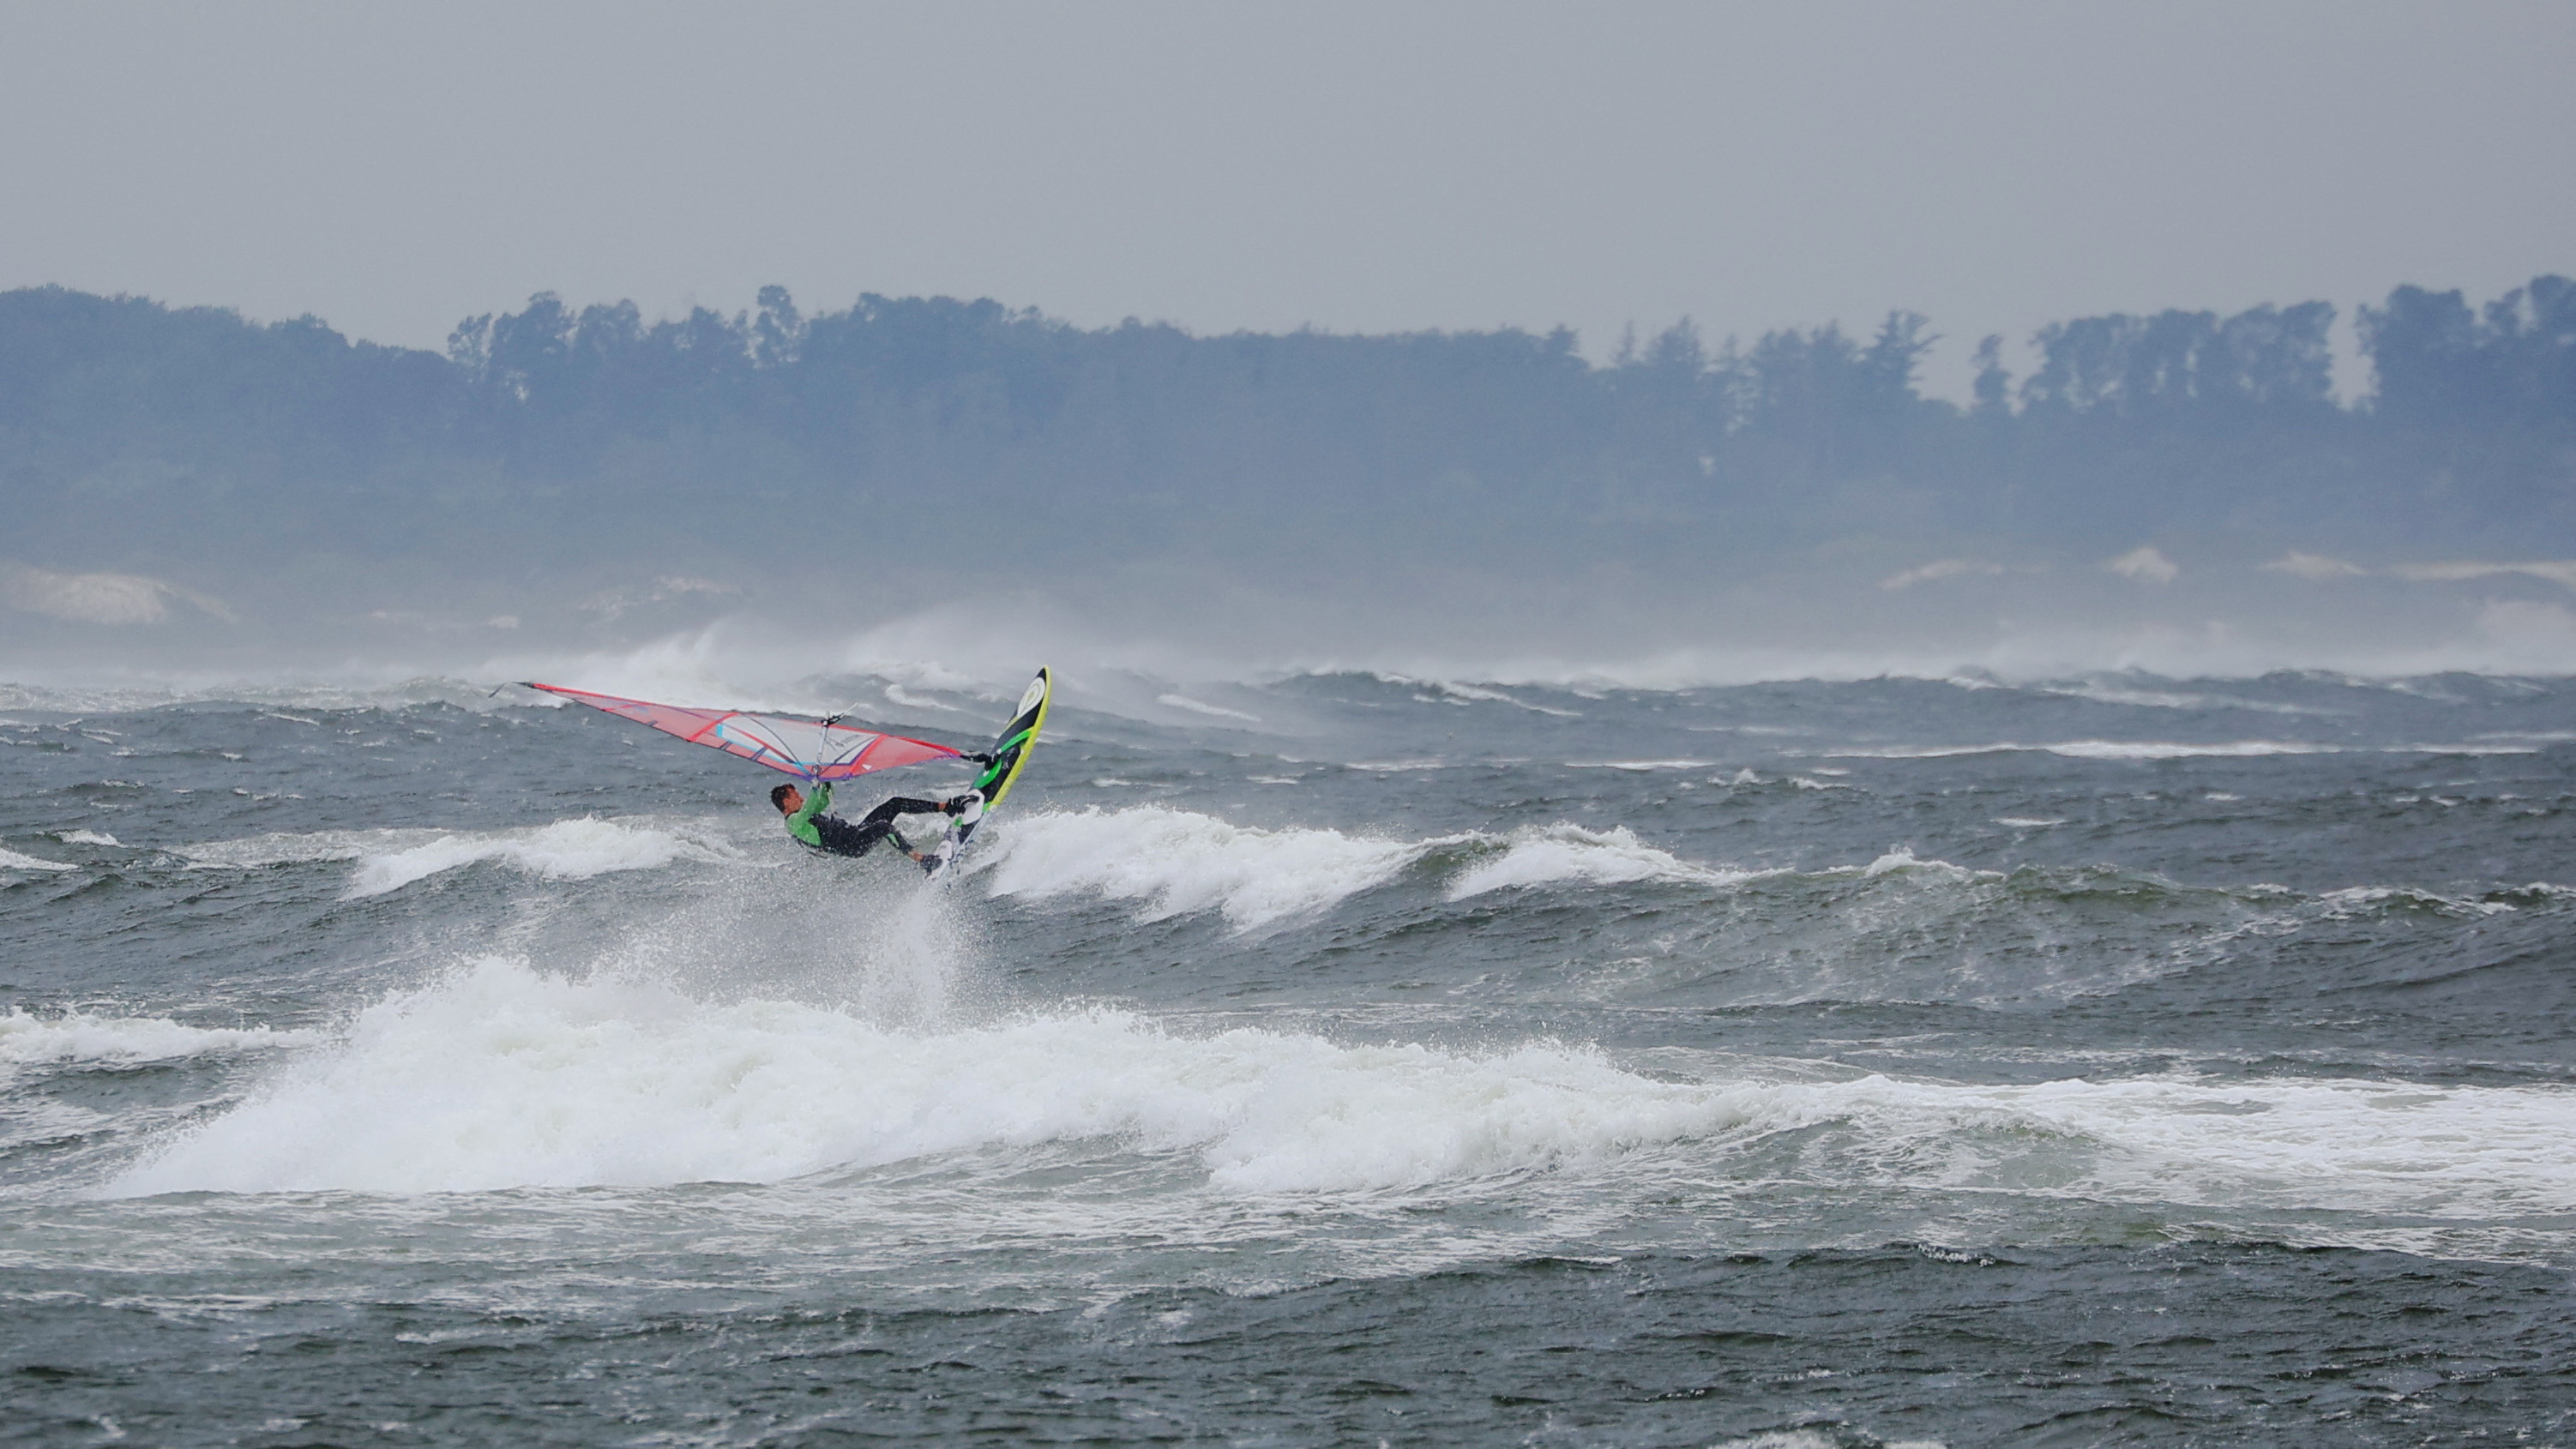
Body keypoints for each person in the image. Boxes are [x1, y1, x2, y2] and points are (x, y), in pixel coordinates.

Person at [772, 779, 982, 863]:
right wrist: (815, 787)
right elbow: (810, 805)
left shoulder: (804, 814)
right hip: (851, 845)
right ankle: (921, 860)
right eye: (795, 796)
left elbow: (822, 801)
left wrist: (825, 782)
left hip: (855, 831)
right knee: (883, 827)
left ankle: (946, 808)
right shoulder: (793, 823)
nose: (800, 798)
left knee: (894, 803)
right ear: (785, 802)